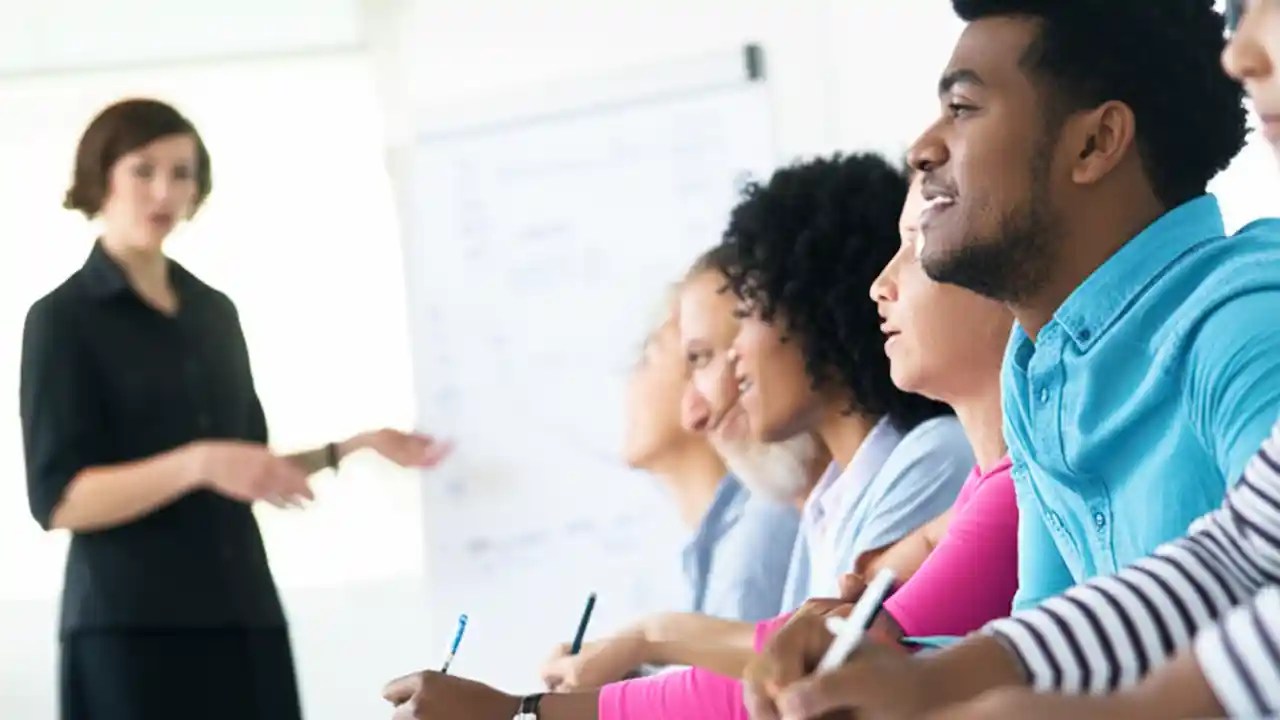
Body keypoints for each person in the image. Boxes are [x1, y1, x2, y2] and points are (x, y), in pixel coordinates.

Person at [741, 2, 1280, 719]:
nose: (922, 149)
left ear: (1094, 145)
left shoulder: (1245, 320)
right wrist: (911, 680)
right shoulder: (1037, 371)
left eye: (963, 108)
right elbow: (1235, 560)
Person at [381, 152, 977, 719]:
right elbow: (770, 673)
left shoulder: (931, 456)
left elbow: (812, 675)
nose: (736, 357)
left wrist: (544, 700)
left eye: (748, 317)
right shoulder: (831, 501)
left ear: (812, 303)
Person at [19, 98, 451, 720]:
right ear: (101, 178)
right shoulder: (62, 320)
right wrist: (194, 462)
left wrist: (352, 447)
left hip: (240, 613)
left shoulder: (212, 313)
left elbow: (243, 467)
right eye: (143, 170)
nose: (164, 190)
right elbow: (60, 499)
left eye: (182, 172)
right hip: (131, 633)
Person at [622, 289, 799, 622]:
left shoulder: (761, 526)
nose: (630, 384)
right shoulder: (719, 541)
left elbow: (738, 673)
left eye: (647, 357)